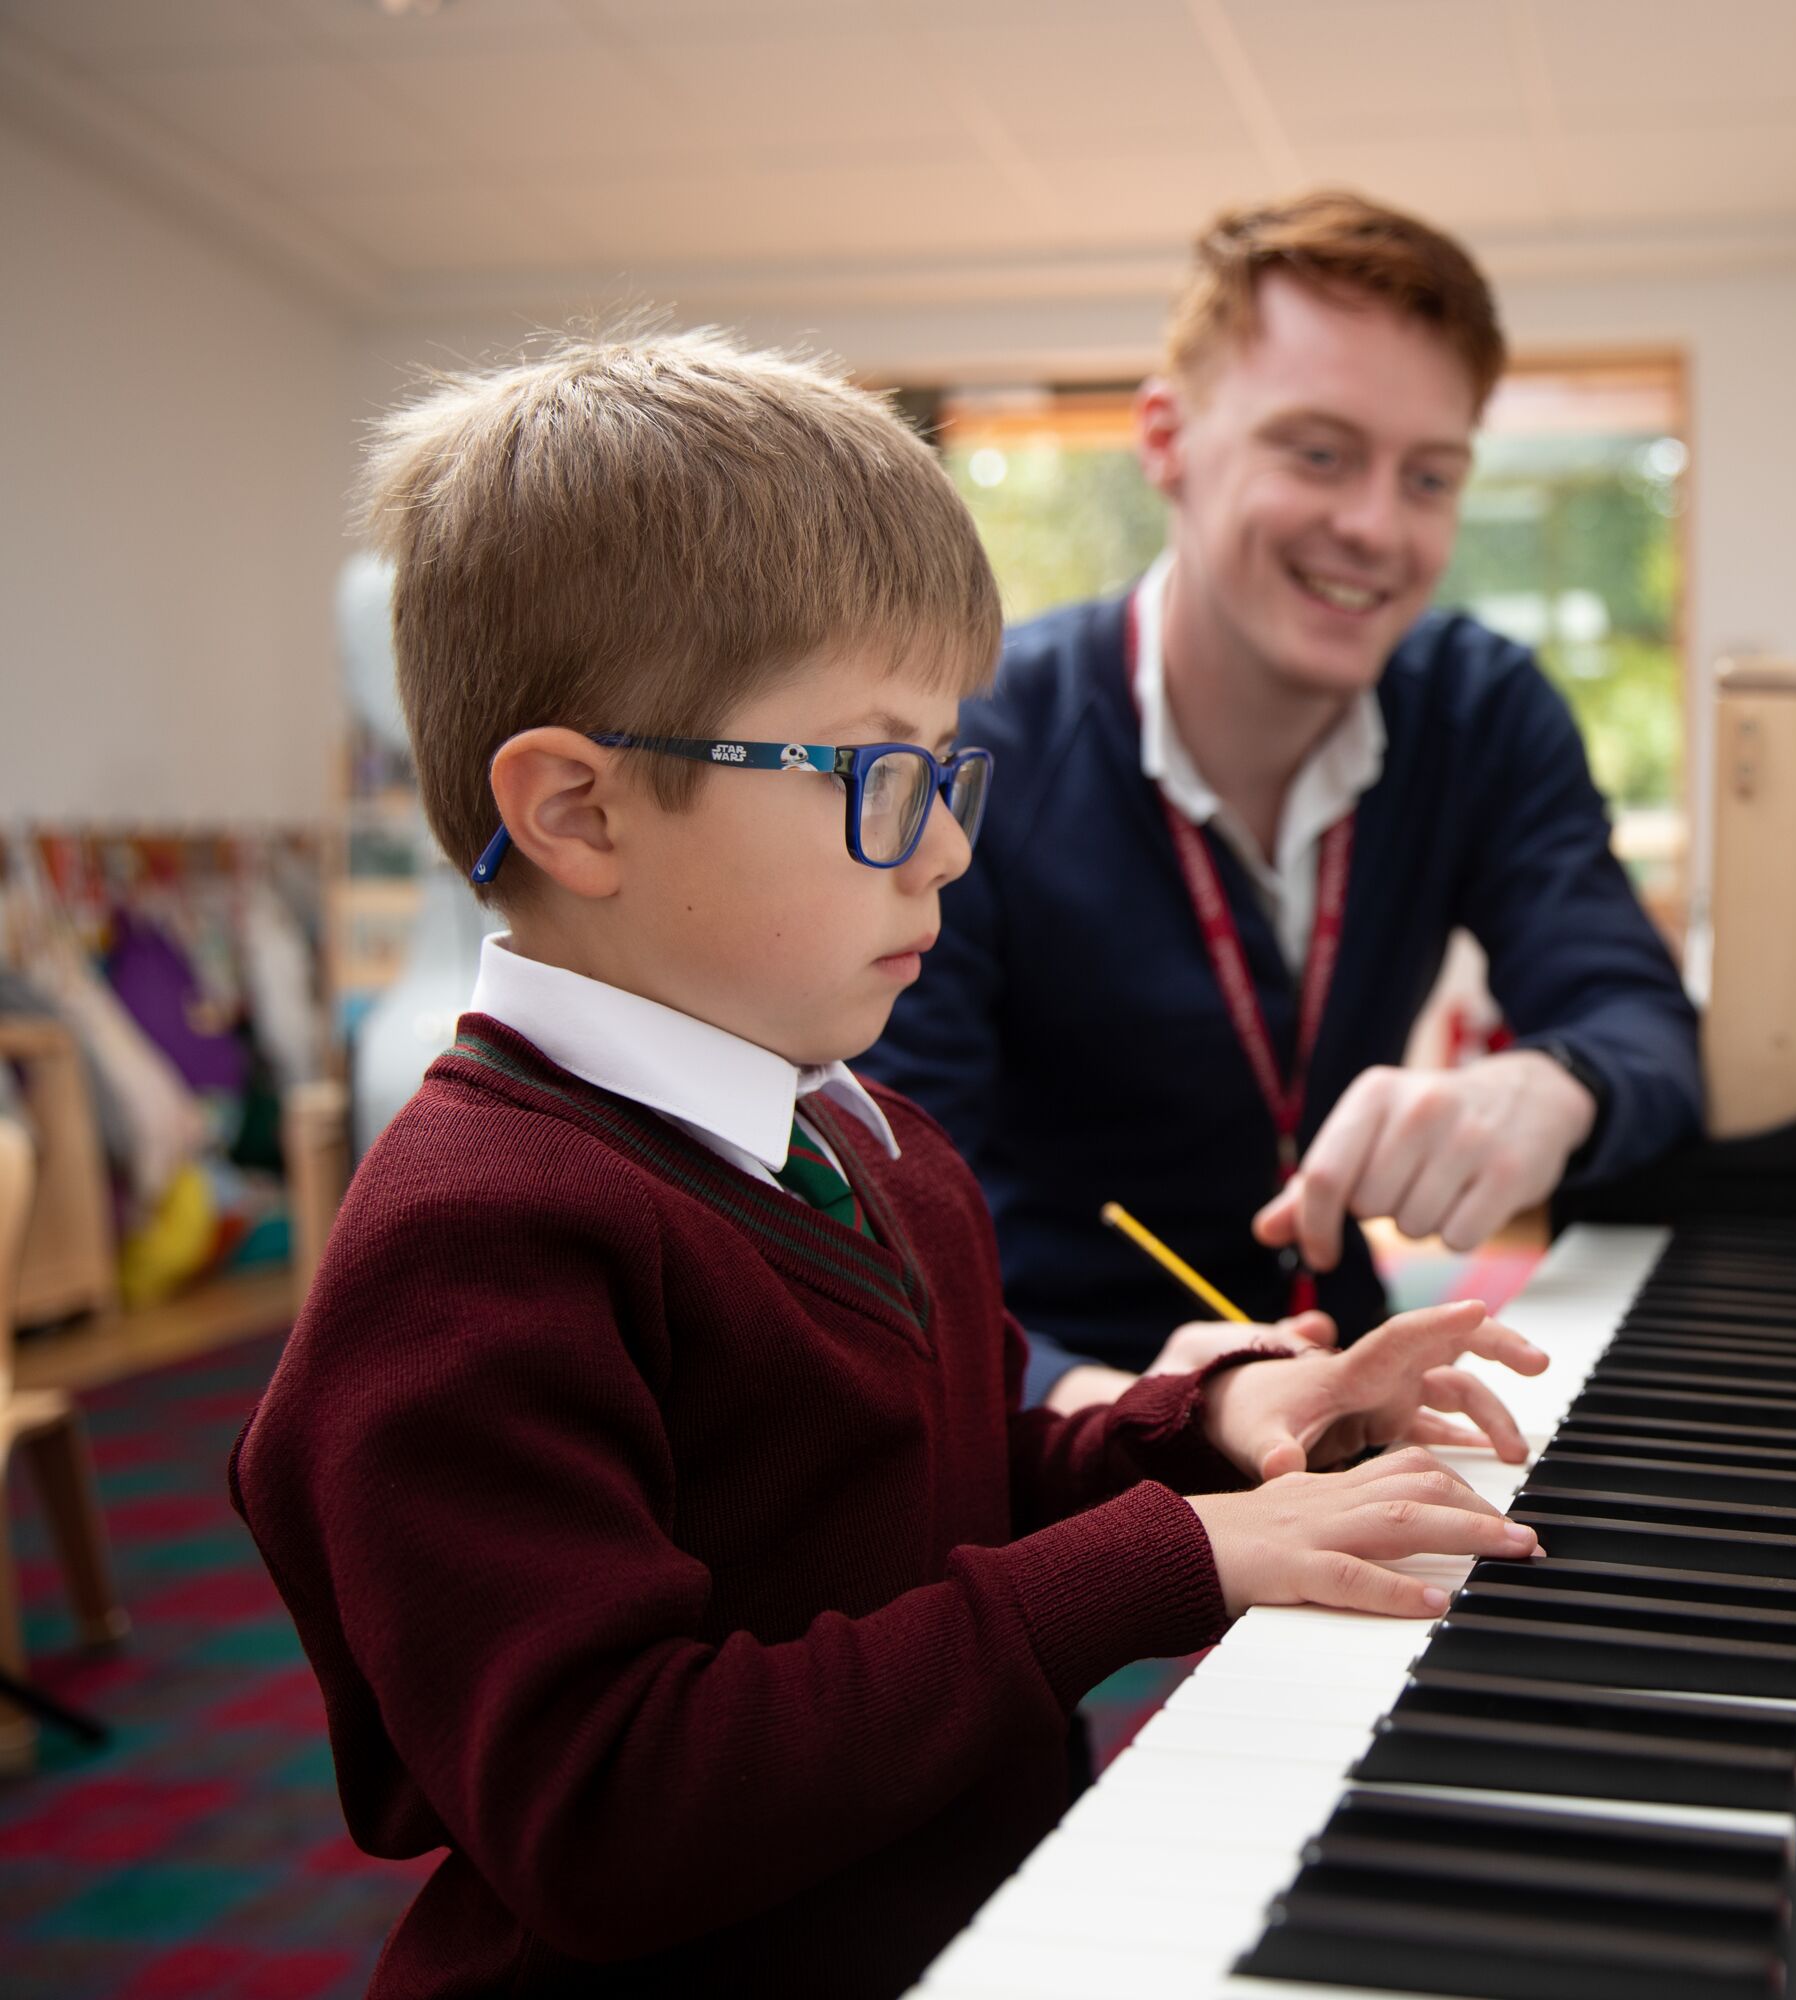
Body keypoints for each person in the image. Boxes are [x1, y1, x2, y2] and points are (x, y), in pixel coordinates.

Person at [230, 328, 1550, 1999]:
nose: (941, 847)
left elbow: (918, 1512)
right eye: (874, 776)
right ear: (579, 810)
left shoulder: (864, 1135)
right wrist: (1164, 1560)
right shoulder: (478, 1245)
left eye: (946, 770)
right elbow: (610, 1805)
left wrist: (1204, 1430)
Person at [864, 191, 1704, 1412]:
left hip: (1346, 1376)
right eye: (1318, 453)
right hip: (1039, 1406)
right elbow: (883, 1211)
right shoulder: (983, 747)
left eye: (1429, 477)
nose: (1375, 525)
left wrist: (1549, 1083)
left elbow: (1641, 1023)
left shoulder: (1479, 710)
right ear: (1166, 439)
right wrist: (1139, 1409)